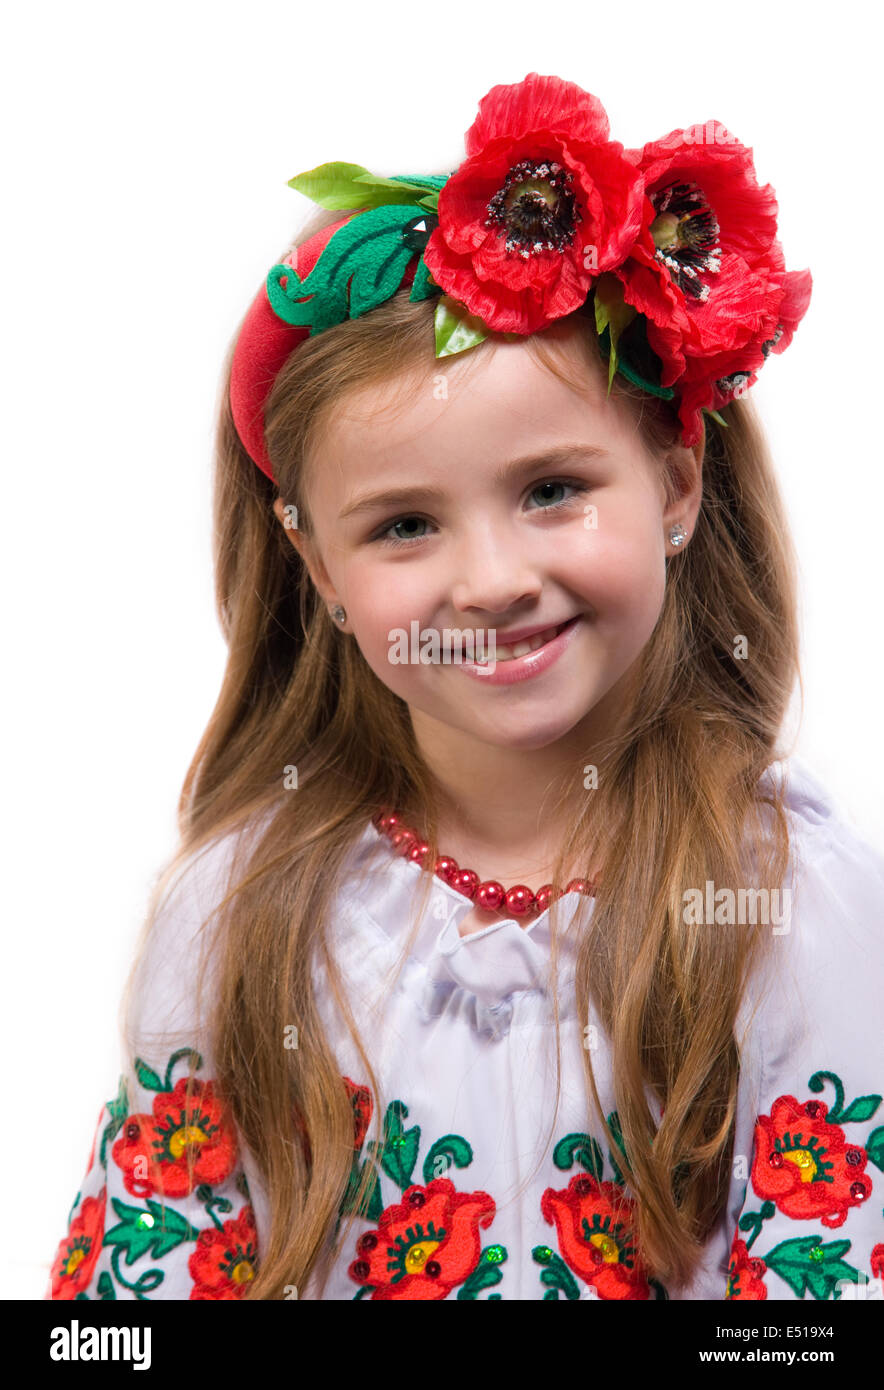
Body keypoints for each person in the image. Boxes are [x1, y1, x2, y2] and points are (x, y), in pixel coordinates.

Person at [46, 71, 884, 1302]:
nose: (489, 581)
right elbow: (122, 1310)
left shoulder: (782, 903)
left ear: (674, 483)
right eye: (401, 526)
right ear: (316, 566)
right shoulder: (241, 912)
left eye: (551, 489)